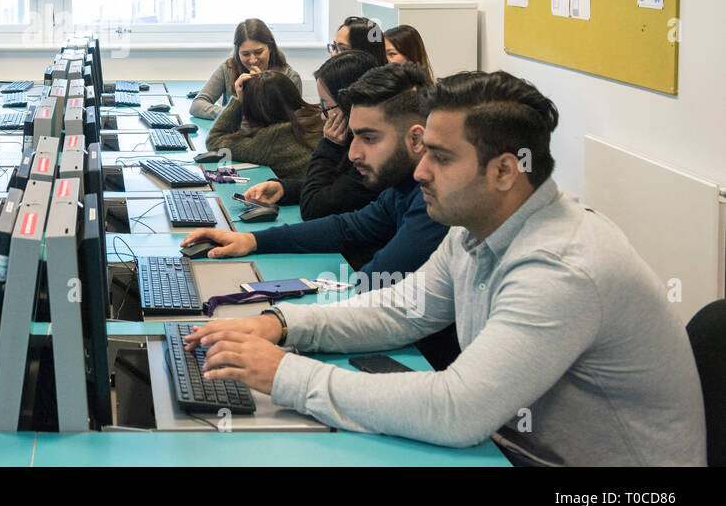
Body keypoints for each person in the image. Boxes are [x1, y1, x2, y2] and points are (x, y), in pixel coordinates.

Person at [184, 71, 707, 466]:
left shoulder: (562, 267)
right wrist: (282, 324)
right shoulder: (477, 224)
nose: (420, 171)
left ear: (505, 170)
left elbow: (457, 409)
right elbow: (402, 309)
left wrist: (284, 374)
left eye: (441, 157)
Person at [182, 63, 442, 280]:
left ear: (417, 139)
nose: (353, 153)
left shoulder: (434, 203)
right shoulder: (403, 186)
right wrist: (252, 240)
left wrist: (281, 323)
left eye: (369, 138)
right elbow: (347, 227)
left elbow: (371, 287)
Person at [243, 50, 377, 219]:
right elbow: (333, 187)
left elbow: (313, 208)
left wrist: (329, 145)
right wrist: (284, 189)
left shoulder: (368, 158)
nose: (322, 115)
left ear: (349, 106)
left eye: (326, 107)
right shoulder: (352, 142)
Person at [205, 71, 322, 182]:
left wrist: (239, 100)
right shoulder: (318, 116)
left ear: (253, 109)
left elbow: (215, 141)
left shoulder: (271, 139)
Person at [190, 18, 302, 120]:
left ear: (270, 48)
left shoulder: (290, 77)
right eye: (245, 54)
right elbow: (197, 105)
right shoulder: (228, 68)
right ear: (237, 53)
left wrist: (261, 90)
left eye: (259, 52)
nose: (253, 60)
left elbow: (291, 120)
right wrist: (233, 111)